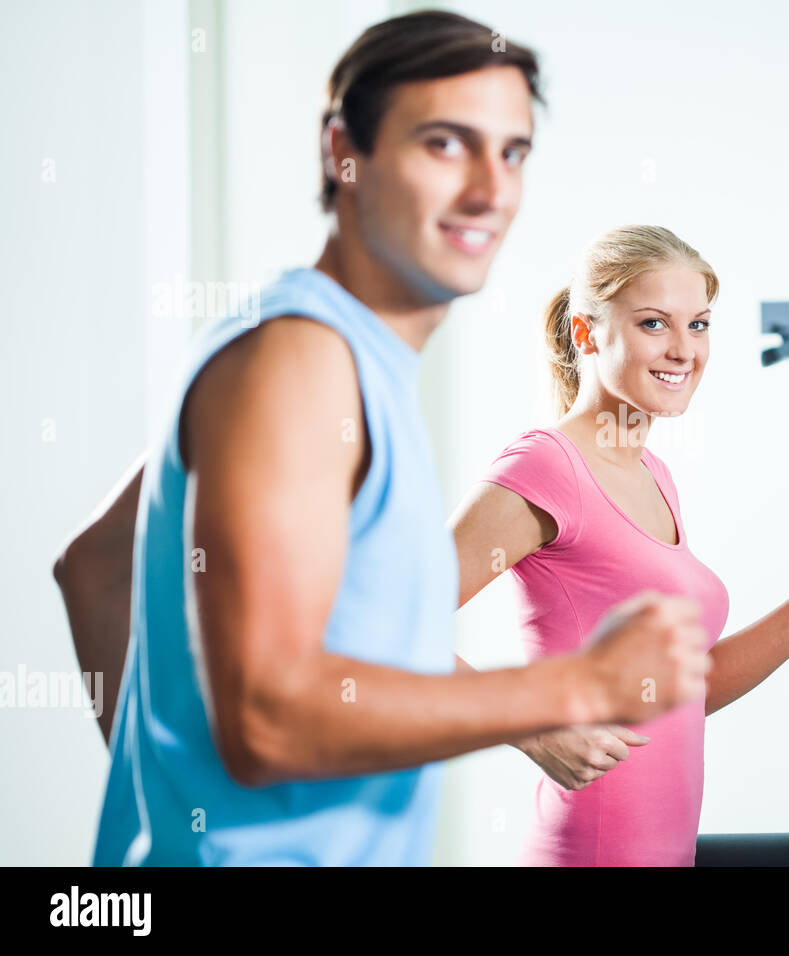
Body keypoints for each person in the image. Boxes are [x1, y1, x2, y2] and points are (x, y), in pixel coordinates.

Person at [54, 11, 710, 867]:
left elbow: (97, 566)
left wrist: (175, 822)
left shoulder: (333, 359)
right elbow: (265, 721)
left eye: (511, 153)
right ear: (343, 153)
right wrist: (568, 690)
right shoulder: (300, 359)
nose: (488, 189)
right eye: (445, 144)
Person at [449, 225, 789, 866]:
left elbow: (685, 690)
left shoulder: (654, 475)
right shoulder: (547, 468)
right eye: (655, 324)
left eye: (699, 325)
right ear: (586, 333)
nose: (684, 350)